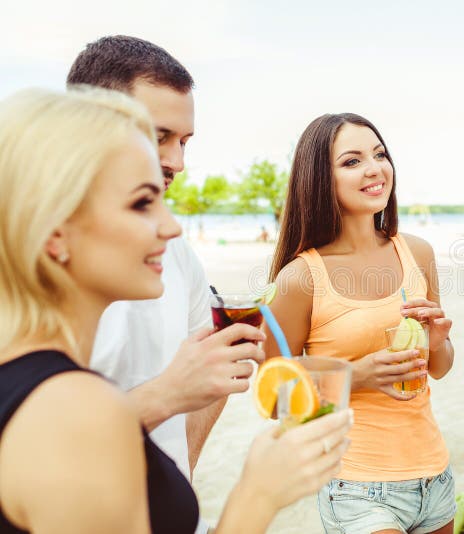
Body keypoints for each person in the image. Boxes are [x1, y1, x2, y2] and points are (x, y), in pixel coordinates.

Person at [0, 88, 351, 534]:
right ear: (55, 231)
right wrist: (259, 494)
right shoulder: (79, 408)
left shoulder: (24, 379)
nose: (171, 226)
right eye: (142, 202)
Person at [66, 36, 250, 490]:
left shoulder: (179, 256)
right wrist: (165, 395)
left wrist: (177, 483)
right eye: (159, 136)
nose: (178, 162)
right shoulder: (22, 259)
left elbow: (210, 375)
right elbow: (25, 441)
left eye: (184, 141)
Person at [267, 113, 457, 533]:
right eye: (352, 161)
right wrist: (356, 376)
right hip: (355, 486)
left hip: (434, 476)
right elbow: (274, 395)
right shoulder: (300, 278)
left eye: (380, 154)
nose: (375, 168)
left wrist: (438, 341)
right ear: (319, 179)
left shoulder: (418, 253)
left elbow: (439, 369)